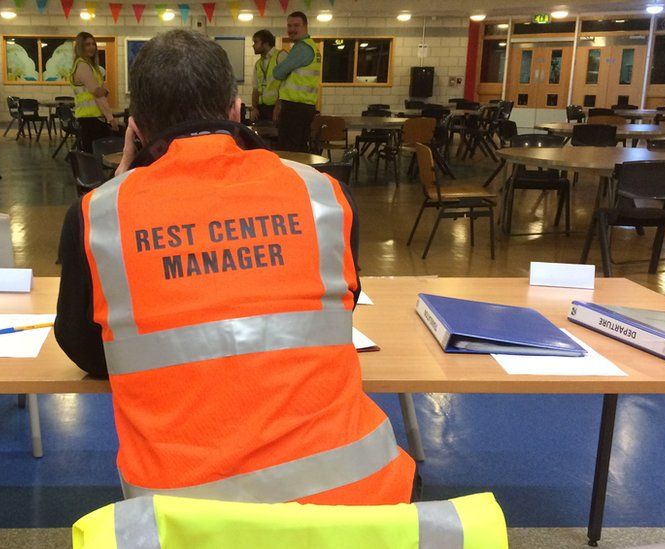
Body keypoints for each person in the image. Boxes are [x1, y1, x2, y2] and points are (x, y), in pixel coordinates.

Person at [55, 30, 414, 506]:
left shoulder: (97, 217)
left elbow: (87, 349)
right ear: (237, 111)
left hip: (185, 518)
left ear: (136, 129)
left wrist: (119, 187)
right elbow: (335, 312)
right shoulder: (322, 194)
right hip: (359, 503)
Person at [272, 11, 320, 152]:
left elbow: (278, 72)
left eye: (296, 25)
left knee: (289, 150)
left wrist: (281, 69)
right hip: (304, 107)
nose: (292, 29)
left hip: (295, 109)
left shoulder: (302, 48)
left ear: (305, 26)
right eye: (289, 25)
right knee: (299, 149)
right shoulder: (311, 47)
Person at [69, 32, 119, 152]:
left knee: (93, 154)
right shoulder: (83, 66)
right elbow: (98, 94)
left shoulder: (90, 66)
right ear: (80, 47)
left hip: (90, 119)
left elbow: (101, 91)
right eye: (87, 44)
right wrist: (111, 118)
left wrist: (103, 90)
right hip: (91, 120)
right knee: (96, 155)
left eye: (93, 44)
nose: (91, 47)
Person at [250, 29, 286, 123]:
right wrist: (254, 108)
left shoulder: (280, 56)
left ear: (265, 43)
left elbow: (286, 84)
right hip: (261, 109)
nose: (253, 45)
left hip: (277, 108)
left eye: (256, 42)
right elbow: (255, 88)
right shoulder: (258, 63)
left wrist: (279, 105)